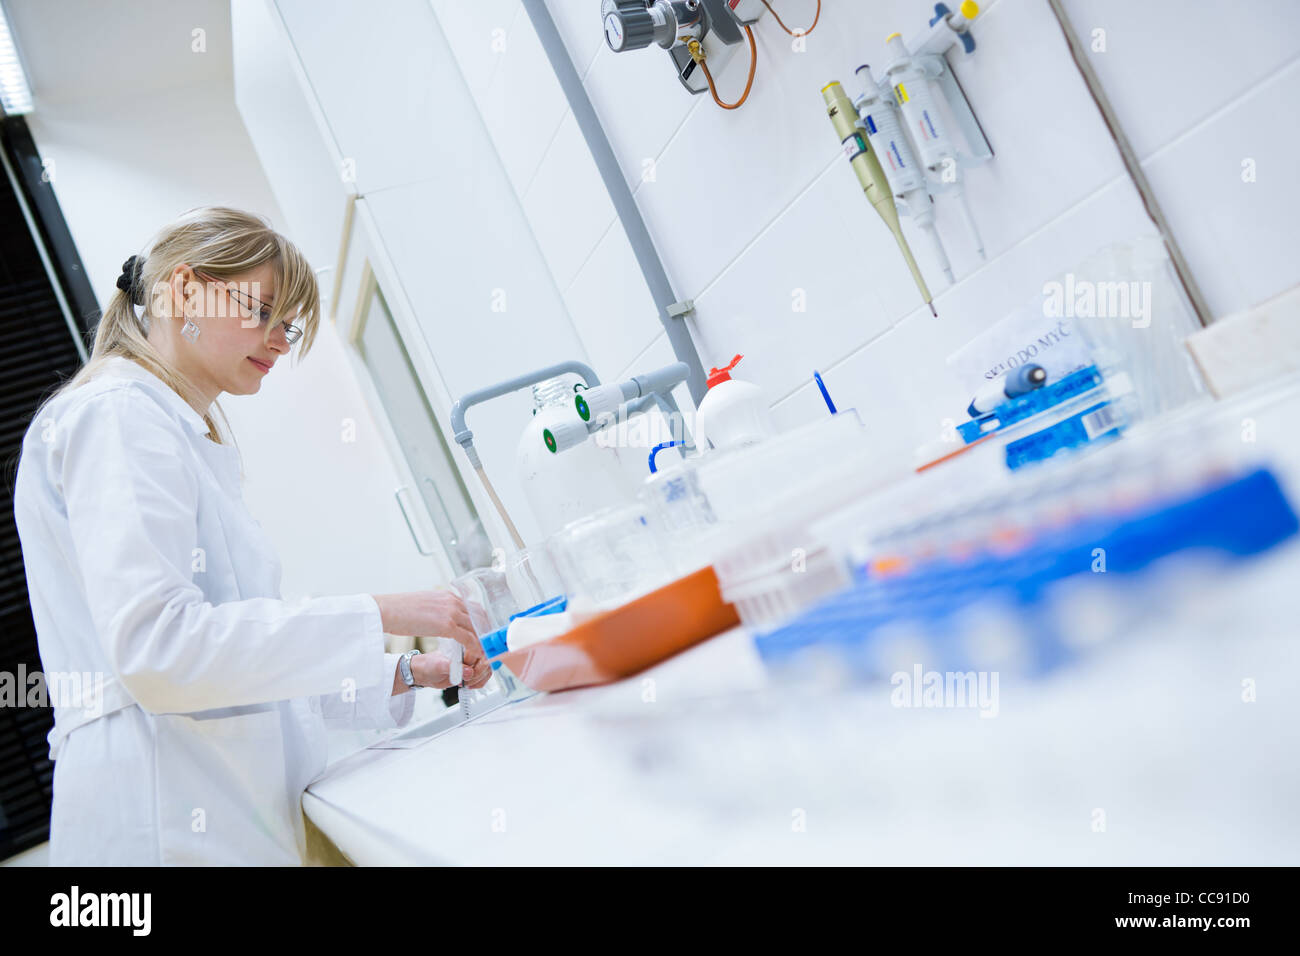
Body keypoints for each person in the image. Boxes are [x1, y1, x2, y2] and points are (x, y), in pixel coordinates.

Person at [13, 206, 490, 865]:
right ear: (183, 290)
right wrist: (382, 612)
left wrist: (407, 670)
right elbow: (161, 651)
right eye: (262, 311)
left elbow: (237, 661)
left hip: (211, 811)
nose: (278, 340)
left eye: (287, 325)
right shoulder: (118, 415)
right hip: (154, 822)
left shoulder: (178, 432)